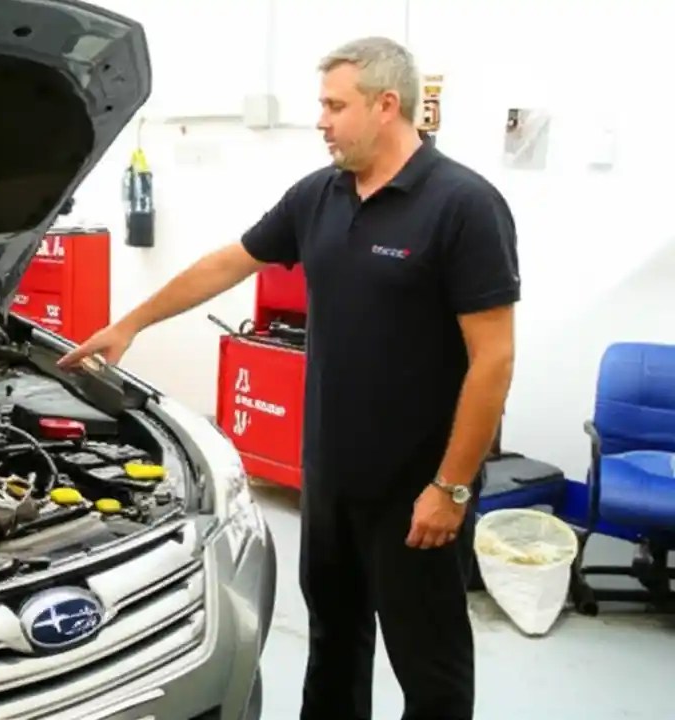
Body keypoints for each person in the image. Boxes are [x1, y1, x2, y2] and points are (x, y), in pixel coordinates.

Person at [57, 36, 518, 720]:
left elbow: (495, 359)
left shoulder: (462, 205)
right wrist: (132, 323)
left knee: (430, 667)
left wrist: (450, 487)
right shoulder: (319, 196)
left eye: (335, 106)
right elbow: (228, 263)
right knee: (334, 643)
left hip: (416, 488)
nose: (322, 121)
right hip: (329, 475)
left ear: (386, 105)